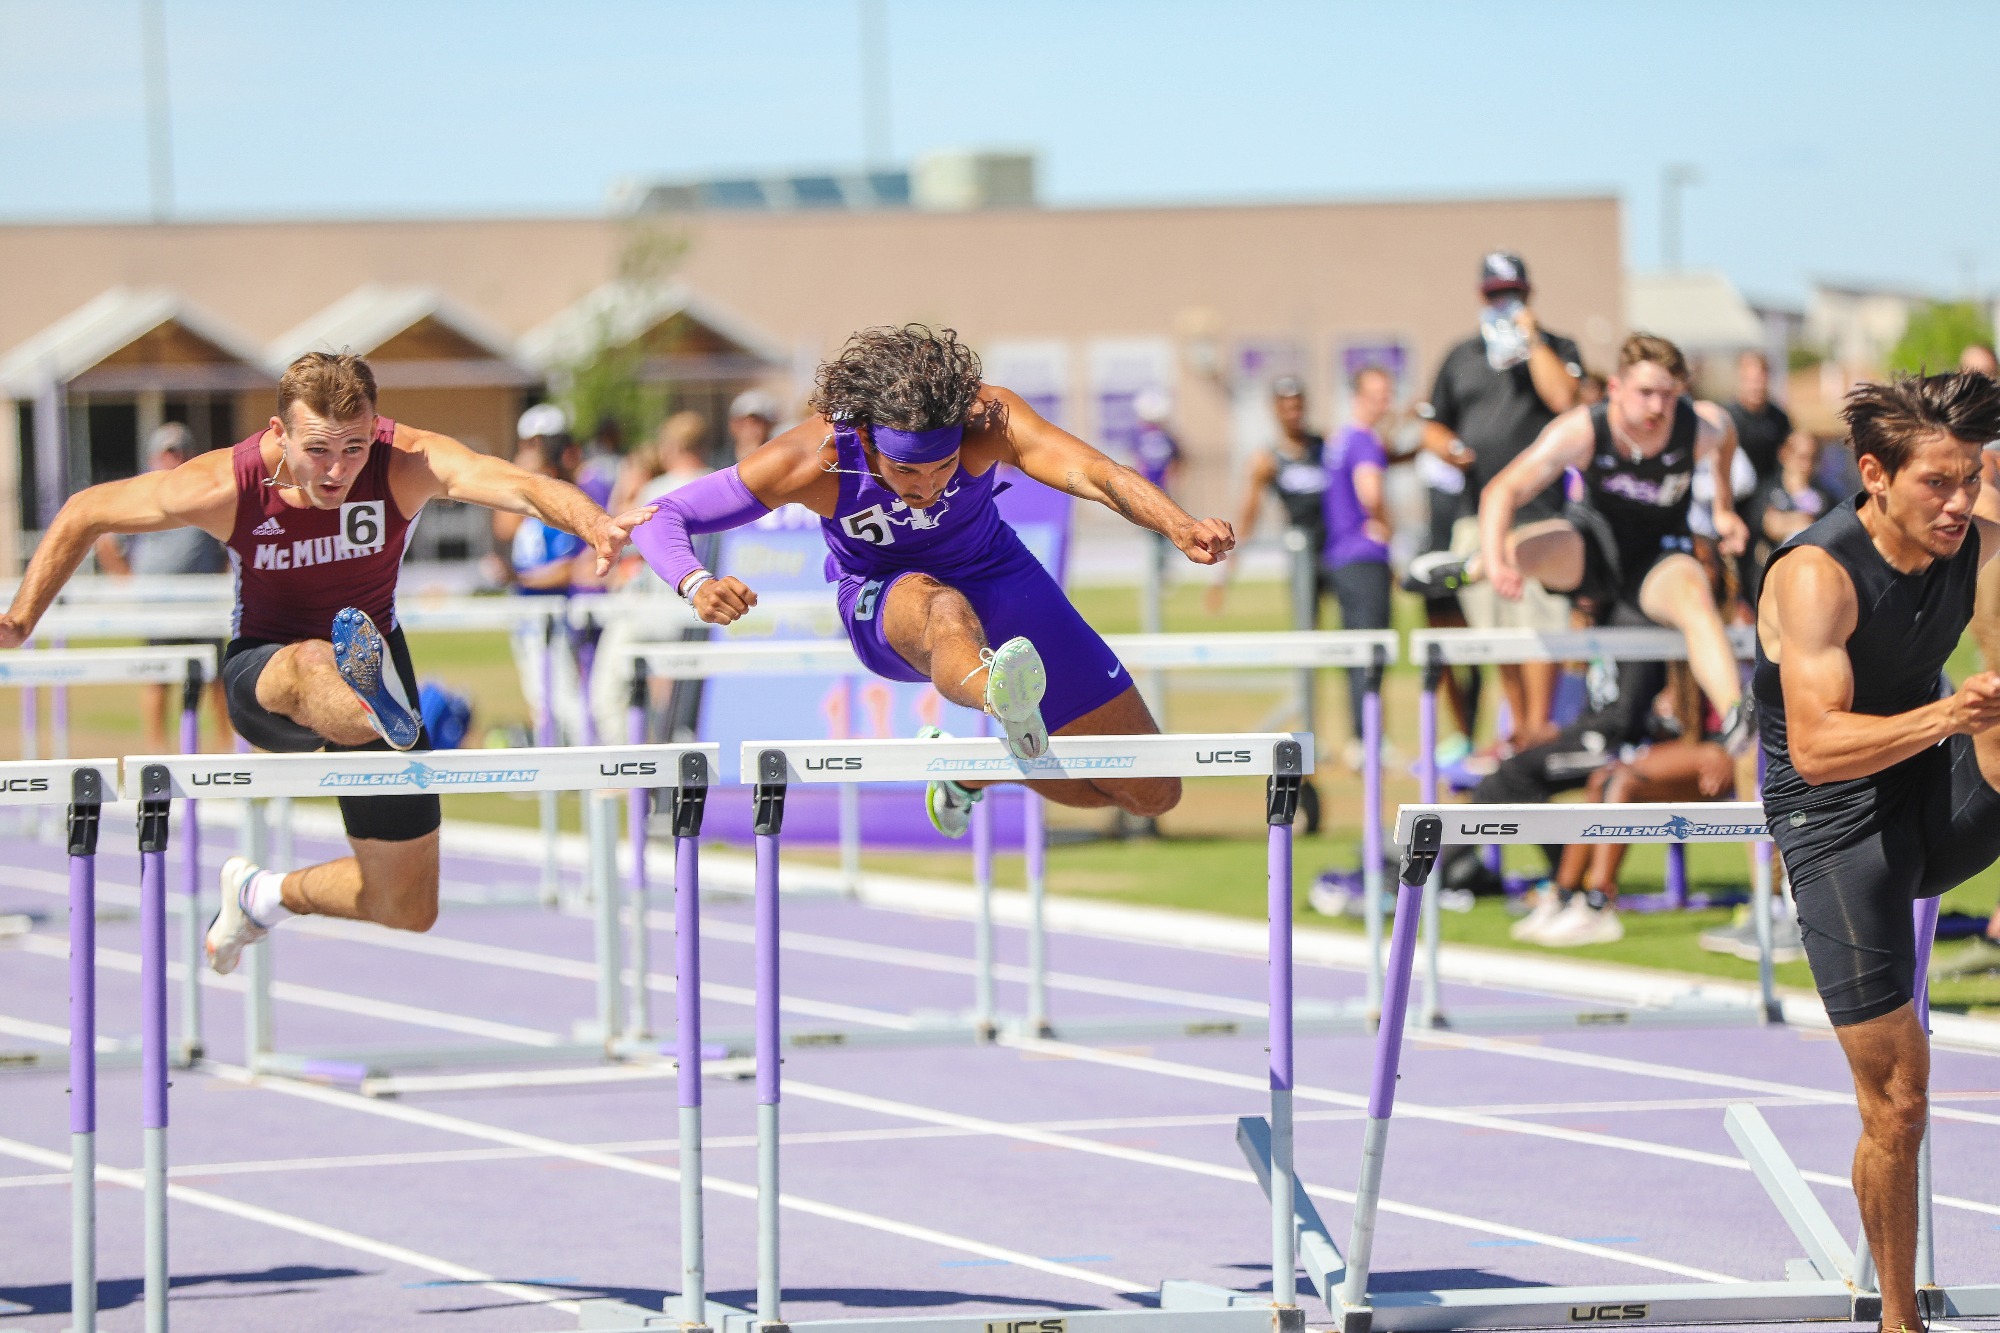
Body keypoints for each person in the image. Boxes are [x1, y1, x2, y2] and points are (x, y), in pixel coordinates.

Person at [0, 353, 649, 975]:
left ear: (374, 429)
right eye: (318, 450)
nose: (337, 470)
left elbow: (518, 484)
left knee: (406, 903)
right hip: (269, 671)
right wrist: (20, 620)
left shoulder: (405, 459)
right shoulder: (229, 482)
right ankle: (377, 713)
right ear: (279, 432)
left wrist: (592, 521)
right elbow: (86, 510)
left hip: (373, 652)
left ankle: (263, 894)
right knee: (314, 658)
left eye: (354, 448)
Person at [632, 324, 1235, 837]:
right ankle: (1000, 698)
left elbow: (1095, 472)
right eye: (906, 471)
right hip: (886, 598)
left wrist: (1177, 524)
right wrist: (694, 582)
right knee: (941, 607)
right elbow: (664, 517)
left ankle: (973, 768)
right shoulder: (811, 457)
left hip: (999, 574)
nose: (927, 488)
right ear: (866, 438)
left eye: (944, 467)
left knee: (1152, 792)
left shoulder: (988, 418)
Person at [1754, 370, 2000, 1333]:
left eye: (1973, 478)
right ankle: (1900, 1320)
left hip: (1930, 795)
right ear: (1875, 474)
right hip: (1834, 825)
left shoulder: (1980, 549)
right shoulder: (1815, 574)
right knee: (1898, 1101)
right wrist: (1949, 712)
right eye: (1938, 482)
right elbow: (1815, 749)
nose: (1959, 501)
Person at [1409, 333, 1756, 756]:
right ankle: (1474, 567)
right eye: (1646, 393)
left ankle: (1737, 715)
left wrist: (1723, 508)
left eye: (1668, 395)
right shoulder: (1583, 430)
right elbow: (1500, 491)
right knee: (1530, 547)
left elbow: (1727, 437)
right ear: (1615, 389)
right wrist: (1498, 564)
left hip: (1657, 558)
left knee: (1695, 596)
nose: (1657, 408)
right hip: (1590, 549)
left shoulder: (1695, 427)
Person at [1415, 252, 1584, 748]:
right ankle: (1519, 725)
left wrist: (1531, 340)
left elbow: (1566, 401)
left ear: (1529, 293)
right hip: (1478, 516)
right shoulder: (1461, 355)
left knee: (1541, 623)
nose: (1502, 302)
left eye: (1511, 292)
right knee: (1497, 628)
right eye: (1494, 294)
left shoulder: (1557, 345)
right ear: (1480, 296)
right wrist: (1447, 447)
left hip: (1541, 514)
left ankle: (1539, 725)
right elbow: (1431, 424)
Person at [91, 422, 235, 752]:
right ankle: (157, 748)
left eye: (180, 452)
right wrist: (128, 583)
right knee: (157, 675)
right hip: (158, 606)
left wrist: (224, 574)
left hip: (202, 605)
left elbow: (232, 538)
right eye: (168, 453)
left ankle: (227, 746)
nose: (174, 459)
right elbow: (106, 542)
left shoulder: (207, 492)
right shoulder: (140, 493)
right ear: (155, 457)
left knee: (216, 676)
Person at [1323, 366, 1395, 763]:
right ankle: (1367, 739)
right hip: (1364, 555)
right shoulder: (1364, 442)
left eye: (1387, 393)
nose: (1384, 402)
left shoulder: (1339, 440)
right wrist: (1388, 523)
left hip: (1339, 556)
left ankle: (1360, 735)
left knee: (1356, 650)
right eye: (1377, 394)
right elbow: (1371, 493)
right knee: (1372, 650)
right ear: (1358, 396)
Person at [1206, 375, 1325, 616]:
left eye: (1297, 407)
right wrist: (1224, 577)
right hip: (1303, 551)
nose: (1293, 414)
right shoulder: (1267, 460)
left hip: (1339, 546)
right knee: (1307, 624)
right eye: (1286, 408)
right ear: (1276, 411)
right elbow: (1249, 517)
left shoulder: (1327, 447)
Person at [728, 388, 781, 463]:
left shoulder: (778, 459)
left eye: (755, 423)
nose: (749, 429)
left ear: (769, 426)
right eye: (742, 424)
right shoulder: (715, 462)